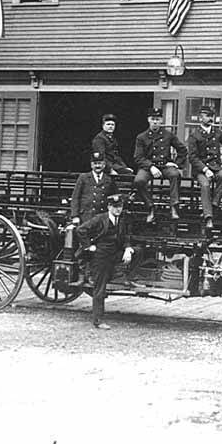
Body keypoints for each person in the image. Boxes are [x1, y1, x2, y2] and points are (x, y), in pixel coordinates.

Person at [75, 194, 137, 330]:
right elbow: (81, 230)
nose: (117, 210)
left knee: (138, 251)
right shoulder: (99, 219)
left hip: (114, 254)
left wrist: (127, 248)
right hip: (100, 257)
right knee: (100, 288)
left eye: (120, 207)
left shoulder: (122, 219)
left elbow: (125, 235)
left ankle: (121, 275)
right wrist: (88, 246)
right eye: (115, 207)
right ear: (109, 207)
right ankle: (98, 320)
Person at [133, 107, 187, 222]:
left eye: (157, 119)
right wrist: (151, 167)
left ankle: (173, 206)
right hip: (148, 167)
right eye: (153, 119)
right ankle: (150, 207)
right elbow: (138, 157)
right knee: (139, 180)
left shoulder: (168, 135)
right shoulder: (141, 137)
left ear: (161, 120)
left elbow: (182, 150)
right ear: (148, 120)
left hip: (164, 166)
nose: (155, 122)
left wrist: (176, 164)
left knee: (175, 175)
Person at [187, 105, 222, 229]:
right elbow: (192, 157)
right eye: (206, 116)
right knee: (205, 184)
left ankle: (214, 204)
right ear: (200, 118)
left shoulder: (218, 133)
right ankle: (208, 217)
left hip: (216, 167)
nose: (209, 118)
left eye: (211, 116)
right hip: (200, 170)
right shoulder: (194, 135)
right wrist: (205, 170)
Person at [70, 150, 118, 225]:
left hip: (102, 217)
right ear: (91, 165)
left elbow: (115, 196)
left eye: (100, 163)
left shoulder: (109, 179)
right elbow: (75, 197)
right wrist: (75, 216)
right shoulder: (83, 177)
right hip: (86, 216)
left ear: (104, 165)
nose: (97, 166)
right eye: (95, 164)